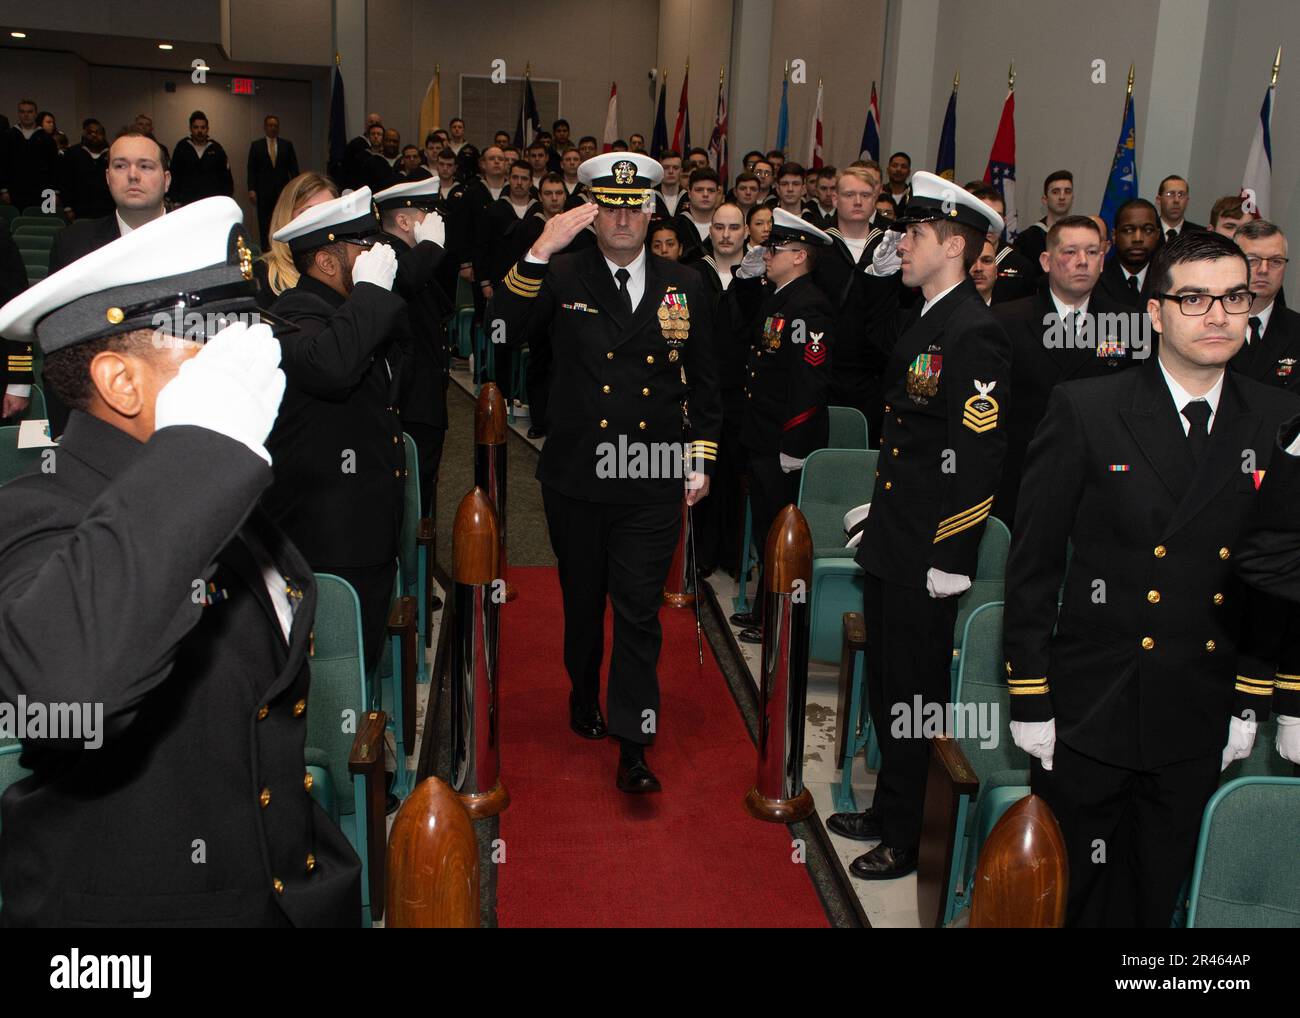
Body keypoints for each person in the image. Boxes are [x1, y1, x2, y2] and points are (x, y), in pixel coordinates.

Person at [0, 196, 362, 926]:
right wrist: (204, 447)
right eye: (212, 342)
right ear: (120, 383)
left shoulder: (218, 487)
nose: (250, 360)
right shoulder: (35, 509)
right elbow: (71, 689)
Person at [1003, 230, 1300, 927]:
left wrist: (1261, 696)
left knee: (1155, 887)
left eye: (1234, 296)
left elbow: (1278, 575)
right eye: (1194, 298)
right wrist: (1029, 695)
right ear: (1156, 313)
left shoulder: (1279, 416)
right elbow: (1034, 563)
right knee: (1073, 887)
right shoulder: (1088, 407)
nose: (1219, 315)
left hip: (1200, 699)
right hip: (1093, 699)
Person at [488, 153, 721, 793]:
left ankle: (635, 743)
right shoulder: (561, 275)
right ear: (592, 215)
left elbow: (705, 382)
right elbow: (501, 330)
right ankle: (582, 691)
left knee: (640, 610)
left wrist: (700, 454)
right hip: (578, 475)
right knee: (585, 604)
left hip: (650, 473)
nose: (623, 219)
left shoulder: (685, 283)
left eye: (634, 206)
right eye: (610, 207)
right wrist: (539, 248)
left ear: (652, 210)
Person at [827, 173, 1010, 879]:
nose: (903, 243)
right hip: (895, 537)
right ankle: (886, 808)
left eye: (916, 235)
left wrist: (954, 549)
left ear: (954, 245)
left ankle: (909, 835)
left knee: (915, 695)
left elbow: (979, 452)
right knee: (888, 684)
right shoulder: (930, 314)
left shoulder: (976, 332)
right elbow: (917, 440)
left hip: (928, 551)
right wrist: (885, 506)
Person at [265, 188, 408, 671]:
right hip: (329, 538)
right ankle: (343, 743)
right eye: (362, 248)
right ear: (327, 262)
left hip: (362, 526)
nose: (375, 255)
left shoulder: (348, 312)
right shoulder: (293, 314)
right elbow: (332, 368)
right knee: (334, 669)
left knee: (359, 658)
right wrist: (369, 292)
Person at [728, 208, 836, 644]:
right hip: (763, 433)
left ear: (797, 256)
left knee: (783, 533)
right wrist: (747, 276)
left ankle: (780, 621)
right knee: (768, 532)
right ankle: (763, 610)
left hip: (785, 440)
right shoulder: (782, 297)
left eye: (774, 248)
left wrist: (795, 442)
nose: (765, 254)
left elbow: (811, 381)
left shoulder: (810, 306)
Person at [993, 215, 1140, 526]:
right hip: (1021, 479)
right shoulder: (1006, 320)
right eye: (1070, 252)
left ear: (1103, 260)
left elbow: (1136, 408)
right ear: (1046, 261)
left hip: (1099, 482)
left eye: (1092, 252)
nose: (1082, 262)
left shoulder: (1130, 323)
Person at [373, 178, 452, 517]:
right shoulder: (387, 256)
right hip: (410, 402)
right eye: (426, 212)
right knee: (410, 502)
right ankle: (412, 568)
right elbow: (400, 283)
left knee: (420, 494)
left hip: (422, 397)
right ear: (404, 222)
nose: (435, 221)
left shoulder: (412, 256)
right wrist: (431, 247)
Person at [812, 164, 888, 441]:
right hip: (823, 366)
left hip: (874, 373)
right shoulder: (817, 244)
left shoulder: (891, 245)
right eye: (849, 194)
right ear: (834, 199)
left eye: (866, 195)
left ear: (875, 199)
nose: (858, 201)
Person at [1229, 219, 1299, 392]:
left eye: (1276, 261)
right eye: (1252, 260)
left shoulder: (1296, 328)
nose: (1264, 269)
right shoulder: (1208, 322)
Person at [254, 171, 338, 306]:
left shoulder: (348, 268)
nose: (320, 221)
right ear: (286, 218)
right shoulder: (263, 275)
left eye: (328, 212)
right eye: (308, 213)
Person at [247, 115, 300, 250]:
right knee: (264, 224)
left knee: (282, 221)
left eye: (275, 126)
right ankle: (266, 250)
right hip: (263, 192)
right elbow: (251, 169)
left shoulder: (286, 145)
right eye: (270, 125)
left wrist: (296, 189)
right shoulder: (256, 146)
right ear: (265, 127)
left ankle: (282, 249)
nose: (273, 128)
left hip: (282, 192)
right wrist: (251, 189)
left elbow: (293, 169)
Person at [1096, 198, 1160, 311]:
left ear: (1157, 235)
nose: (1138, 239)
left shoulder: (1169, 280)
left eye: (1148, 230)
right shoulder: (1096, 279)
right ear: (1114, 236)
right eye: (1128, 230)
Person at [1, 99, 59, 210]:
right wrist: (3, 190)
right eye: (22, 112)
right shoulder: (8, 136)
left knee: (45, 222)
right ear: (18, 114)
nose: (26, 115)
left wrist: (54, 192)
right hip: (15, 191)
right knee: (18, 222)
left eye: (30, 112)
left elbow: (54, 167)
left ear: (35, 114)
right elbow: (3, 164)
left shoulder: (47, 138)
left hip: (43, 191)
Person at [1013, 169, 1074, 274]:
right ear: (1045, 199)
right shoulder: (1027, 239)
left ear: (1073, 198)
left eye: (1067, 191)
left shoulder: (1080, 236)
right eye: (1055, 192)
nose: (1062, 197)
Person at [168, 111, 233, 206]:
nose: (199, 131)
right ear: (190, 129)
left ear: (207, 129)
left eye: (203, 127)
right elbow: (174, 174)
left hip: (212, 203)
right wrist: (175, 199)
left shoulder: (216, 148)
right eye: (196, 127)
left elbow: (226, 178)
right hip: (187, 202)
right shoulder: (182, 147)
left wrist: (225, 200)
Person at [59, 118, 112, 221]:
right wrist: (67, 208)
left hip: (107, 210)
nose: (94, 135)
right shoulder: (72, 153)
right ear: (84, 135)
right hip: (79, 210)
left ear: (104, 136)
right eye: (90, 133)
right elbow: (65, 181)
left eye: (98, 133)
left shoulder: (113, 153)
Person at [673, 166, 720, 263]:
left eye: (711, 190)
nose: (705, 194)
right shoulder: (674, 226)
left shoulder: (727, 226)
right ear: (689, 193)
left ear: (717, 194)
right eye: (699, 190)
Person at [1156, 174, 1202, 240]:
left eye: (1181, 194)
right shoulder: (1148, 232)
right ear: (1159, 200)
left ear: (1187, 201)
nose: (1176, 200)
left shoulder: (1200, 235)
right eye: (1170, 194)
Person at [653, 149, 687, 219]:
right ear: (660, 170)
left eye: (675, 168)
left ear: (681, 171)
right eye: (666, 168)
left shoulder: (688, 197)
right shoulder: (649, 196)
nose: (671, 171)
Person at [969, 235, 998, 304]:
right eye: (971, 261)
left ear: (996, 270)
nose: (978, 268)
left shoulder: (1010, 312)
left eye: (986, 261)